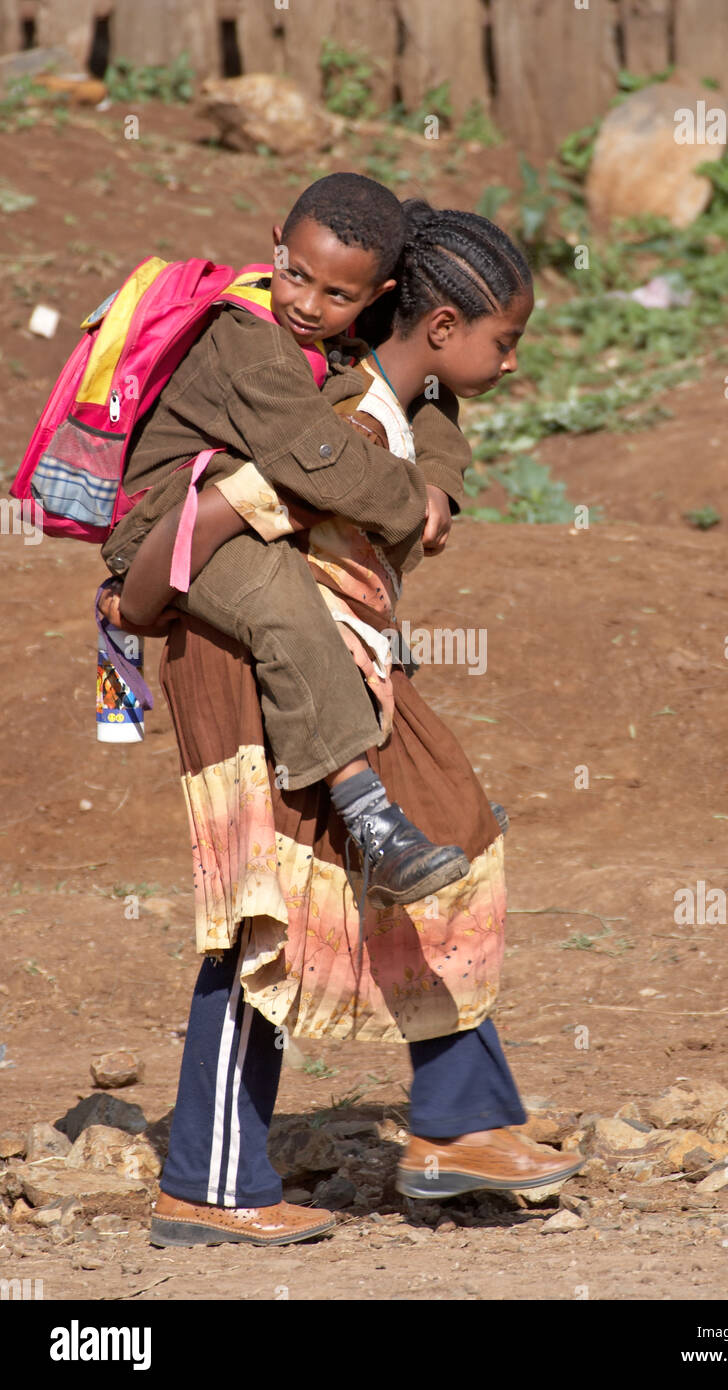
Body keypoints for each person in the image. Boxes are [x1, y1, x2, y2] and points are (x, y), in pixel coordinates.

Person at [107, 202, 584, 1248]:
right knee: (271, 895)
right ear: (446, 326)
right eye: (504, 342)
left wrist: (427, 492)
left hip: (337, 659)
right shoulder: (338, 406)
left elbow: (430, 461)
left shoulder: (392, 396)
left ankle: (459, 1124)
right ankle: (209, 1179)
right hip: (243, 656)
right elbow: (235, 513)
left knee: (437, 828)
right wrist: (142, 594)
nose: (511, 364)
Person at [101, 172, 475, 909]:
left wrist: (440, 478)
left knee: (351, 616)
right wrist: (411, 499)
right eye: (295, 275)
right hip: (176, 521)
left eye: (336, 295)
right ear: (276, 241)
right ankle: (369, 819)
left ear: (377, 295)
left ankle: (434, 806)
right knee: (285, 606)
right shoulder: (254, 344)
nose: (306, 304)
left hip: (256, 505)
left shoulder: (347, 333)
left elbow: (422, 392)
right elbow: (320, 463)